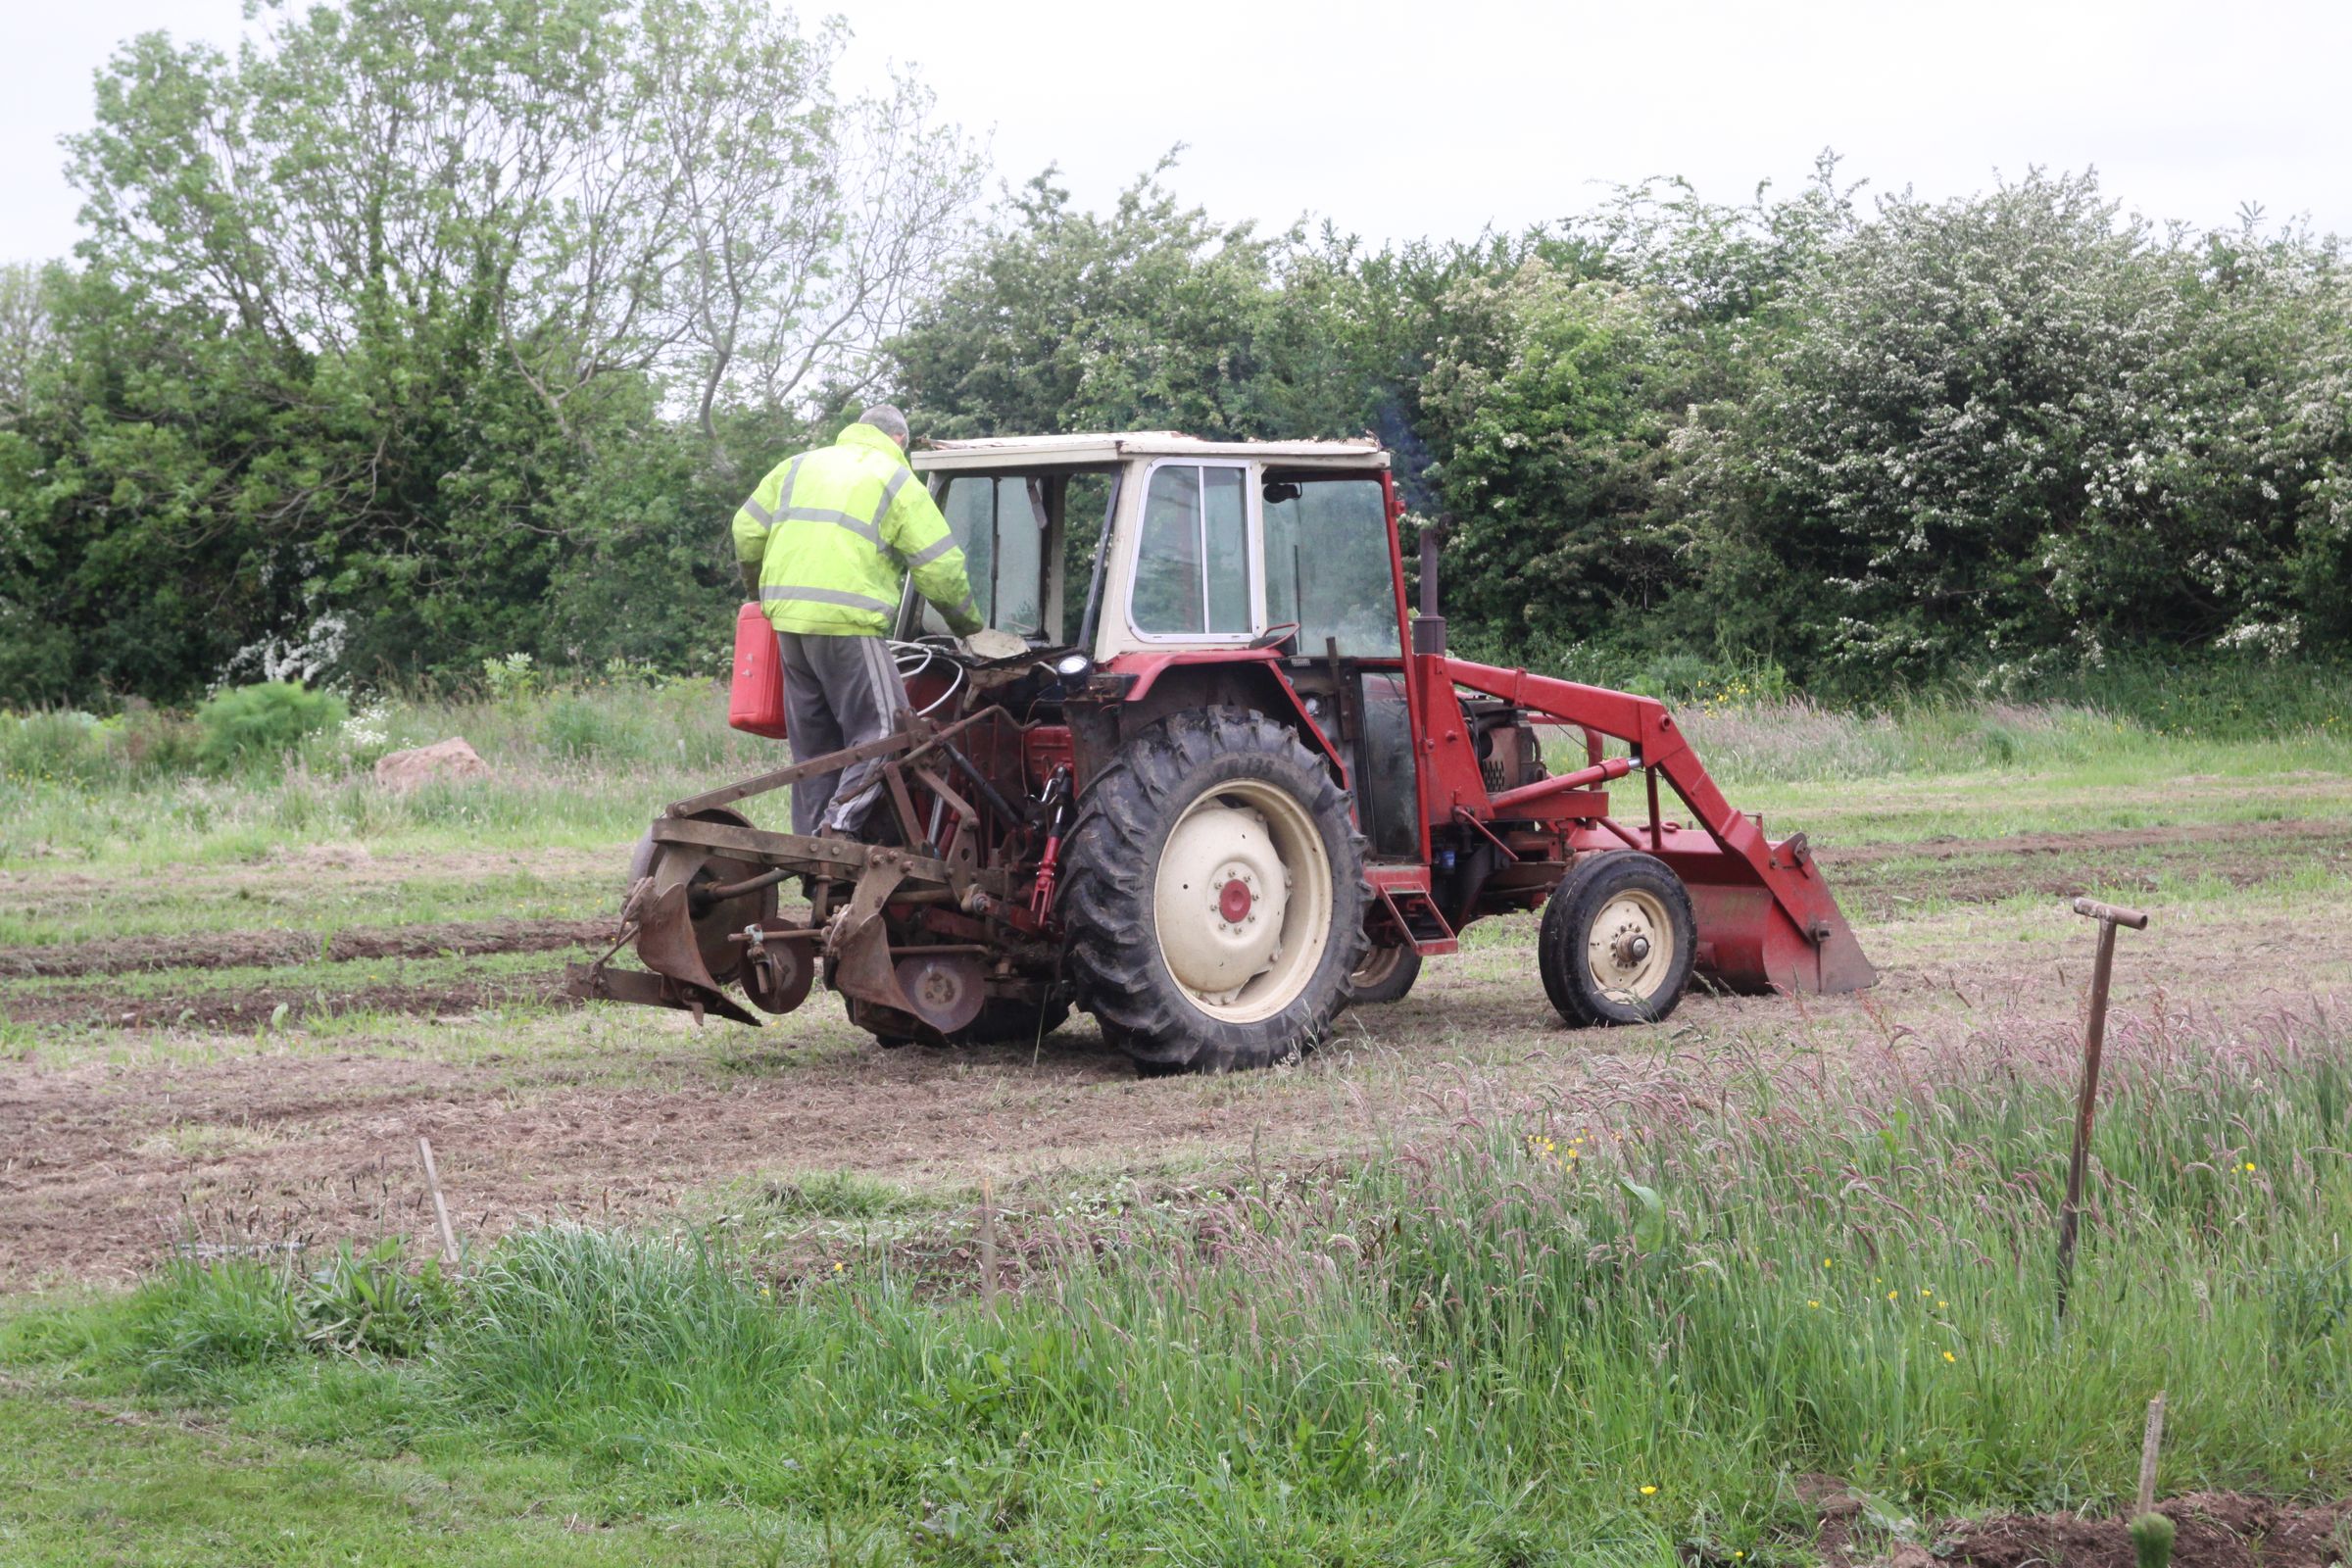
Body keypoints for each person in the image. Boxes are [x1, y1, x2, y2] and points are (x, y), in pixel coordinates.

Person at [731, 404, 984, 837]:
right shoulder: (894, 478)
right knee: (888, 730)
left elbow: (746, 530)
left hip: (789, 628)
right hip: (848, 625)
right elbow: (940, 569)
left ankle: (810, 847)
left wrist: (760, 592)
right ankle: (838, 828)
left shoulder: (796, 466)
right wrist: (968, 628)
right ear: (899, 440)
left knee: (816, 748)